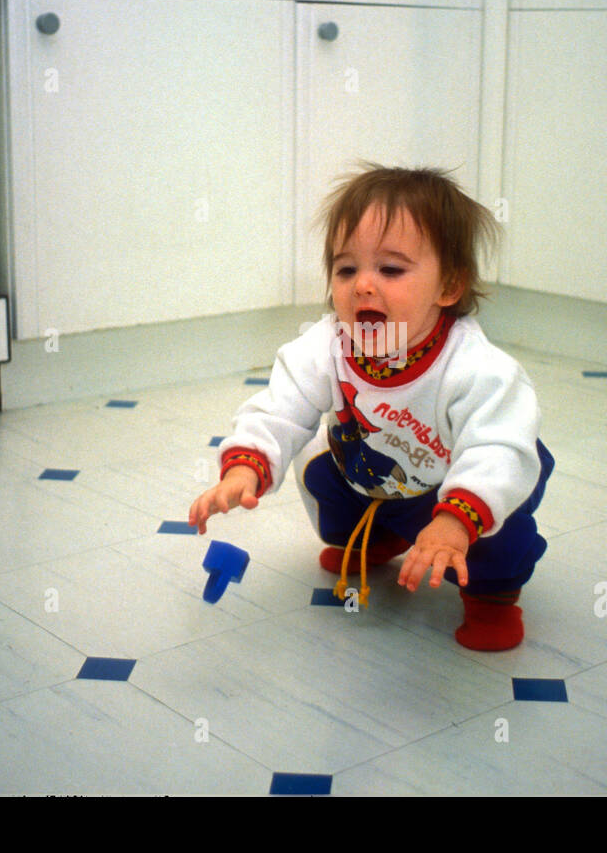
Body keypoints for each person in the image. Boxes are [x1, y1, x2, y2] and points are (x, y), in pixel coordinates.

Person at [188, 164, 554, 650]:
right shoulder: (327, 345)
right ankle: (378, 540)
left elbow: (499, 446)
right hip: (373, 474)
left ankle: (493, 597)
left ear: (448, 287)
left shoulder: (477, 368)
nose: (362, 284)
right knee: (319, 472)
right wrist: (245, 469)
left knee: (496, 531)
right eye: (346, 269)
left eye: (391, 269)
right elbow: (280, 408)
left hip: (457, 482)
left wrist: (453, 520)